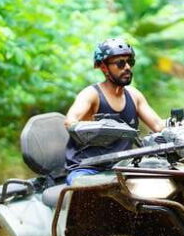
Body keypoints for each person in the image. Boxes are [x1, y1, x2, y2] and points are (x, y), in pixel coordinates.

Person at [64, 38, 163, 184]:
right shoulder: (91, 94)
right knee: (89, 190)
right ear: (104, 67)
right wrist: (101, 129)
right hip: (88, 169)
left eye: (130, 62)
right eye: (120, 63)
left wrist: (182, 127)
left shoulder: (134, 95)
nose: (127, 67)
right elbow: (70, 121)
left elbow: (159, 126)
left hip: (123, 167)